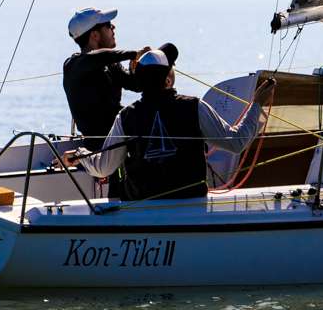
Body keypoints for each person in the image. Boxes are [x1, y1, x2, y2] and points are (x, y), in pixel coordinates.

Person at [75, 47, 276, 200]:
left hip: (142, 213)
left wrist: (79, 155)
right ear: (168, 80)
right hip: (190, 208)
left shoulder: (126, 116)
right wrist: (257, 104)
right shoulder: (194, 106)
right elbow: (236, 142)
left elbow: (103, 168)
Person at [62, 6, 150, 150]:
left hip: (122, 136)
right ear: (95, 35)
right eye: (108, 25)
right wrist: (134, 54)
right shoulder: (73, 65)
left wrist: (137, 67)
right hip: (100, 147)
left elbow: (136, 85)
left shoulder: (110, 63)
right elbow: (95, 58)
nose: (113, 27)